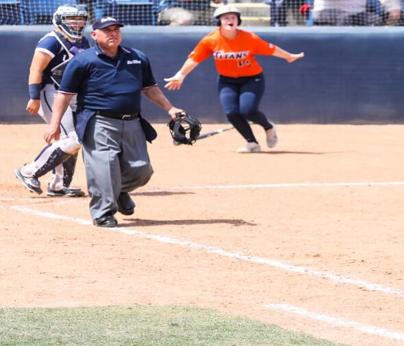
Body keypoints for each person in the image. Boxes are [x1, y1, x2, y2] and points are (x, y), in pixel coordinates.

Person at [44, 15, 188, 228]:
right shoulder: (83, 61)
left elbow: (149, 88)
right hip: (98, 122)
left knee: (142, 171)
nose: (113, 33)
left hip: (132, 122)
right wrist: (54, 124)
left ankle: (119, 190)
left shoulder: (137, 57)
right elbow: (64, 94)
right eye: (107, 30)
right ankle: (102, 213)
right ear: (94, 35)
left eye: (116, 30)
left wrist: (171, 108)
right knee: (103, 168)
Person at [162, 5, 305, 154]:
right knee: (231, 112)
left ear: (238, 20)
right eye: (226, 18)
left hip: (252, 79)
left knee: (248, 110)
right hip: (227, 81)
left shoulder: (249, 38)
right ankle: (252, 143)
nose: (230, 20)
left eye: (233, 17)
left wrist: (289, 56)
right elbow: (194, 59)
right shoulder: (211, 40)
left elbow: (271, 49)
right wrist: (180, 75)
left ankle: (269, 127)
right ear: (219, 21)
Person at [16, 5, 89, 198]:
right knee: (71, 138)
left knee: (70, 141)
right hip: (51, 93)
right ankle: (28, 171)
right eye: (71, 19)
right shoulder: (51, 40)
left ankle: (58, 185)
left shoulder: (83, 41)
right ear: (59, 20)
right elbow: (36, 69)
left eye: (80, 19)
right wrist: (34, 97)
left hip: (72, 95)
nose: (77, 23)